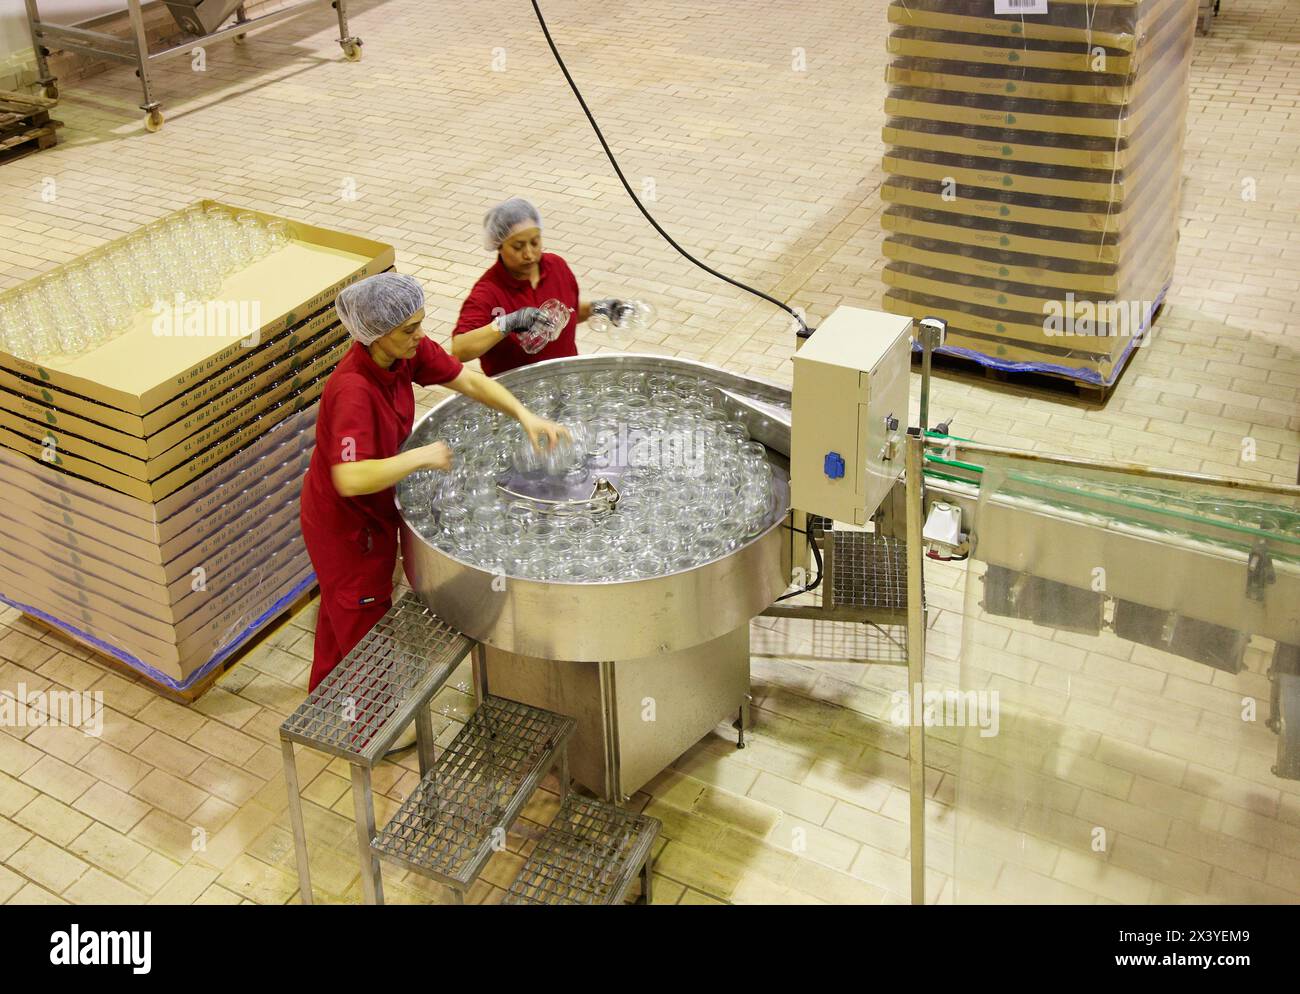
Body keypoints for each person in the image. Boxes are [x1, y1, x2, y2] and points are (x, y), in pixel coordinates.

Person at [299, 272, 566, 693]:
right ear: (376, 334)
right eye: (409, 329)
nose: (419, 335)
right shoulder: (354, 389)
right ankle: (365, 725)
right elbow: (349, 477)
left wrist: (524, 414)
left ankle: (325, 696)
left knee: (339, 618)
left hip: (372, 516)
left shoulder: (402, 352)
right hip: (347, 532)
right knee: (362, 625)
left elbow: (467, 379)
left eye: (419, 323)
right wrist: (418, 457)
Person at [450, 197, 631, 376]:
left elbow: (568, 312)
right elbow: (461, 349)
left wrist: (598, 308)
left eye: (535, 242)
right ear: (499, 245)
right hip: (518, 395)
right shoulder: (489, 292)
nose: (529, 254)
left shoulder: (557, 267)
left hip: (567, 379)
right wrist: (507, 323)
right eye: (518, 246)